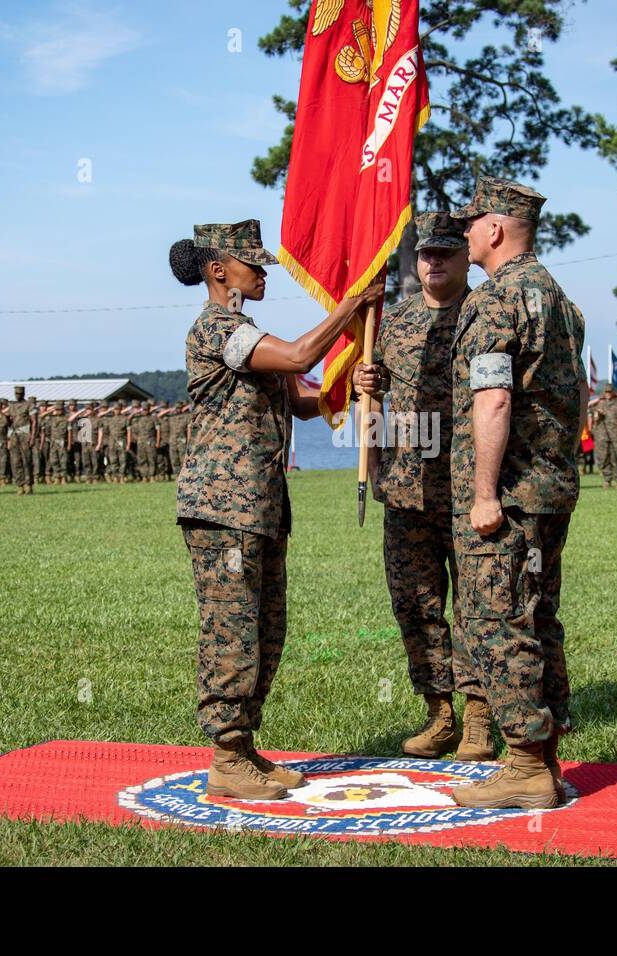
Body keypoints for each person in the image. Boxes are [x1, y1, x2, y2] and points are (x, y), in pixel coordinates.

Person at [171, 218, 384, 800]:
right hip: (223, 510)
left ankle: (242, 749)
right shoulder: (217, 329)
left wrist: (351, 385)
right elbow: (295, 356)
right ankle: (227, 753)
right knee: (233, 632)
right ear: (219, 272)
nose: (263, 272)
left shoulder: (247, 332)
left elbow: (303, 399)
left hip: (258, 507)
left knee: (267, 631)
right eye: (252, 264)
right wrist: (351, 306)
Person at [446, 176, 587, 810]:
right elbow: (576, 395)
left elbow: (494, 397)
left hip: (509, 496)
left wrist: (482, 494)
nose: (465, 233)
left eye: (471, 223)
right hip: (551, 488)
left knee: (496, 622)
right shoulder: (558, 298)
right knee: (537, 615)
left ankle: (527, 763)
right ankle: (545, 753)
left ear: (495, 229)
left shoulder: (498, 299)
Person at [350, 211, 493, 761]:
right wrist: (368, 381)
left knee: (477, 604)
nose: (433, 262)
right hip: (408, 486)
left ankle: (479, 715)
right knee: (416, 603)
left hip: (469, 486)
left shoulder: (485, 313)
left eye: (445, 253)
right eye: (425, 254)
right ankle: (439, 712)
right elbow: (376, 387)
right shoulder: (396, 321)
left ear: (465, 258)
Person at [591, 382, 617, 489]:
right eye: (606, 392)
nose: (608, 393)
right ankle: (607, 479)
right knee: (603, 458)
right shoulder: (600, 404)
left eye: (609, 392)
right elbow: (595, 421)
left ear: (614, 392)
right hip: (602, 435)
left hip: (616, 435)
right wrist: (598, 414)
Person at [6, 386, 34, 494]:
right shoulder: (11, 406)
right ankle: (20, 485)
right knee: (15, 461)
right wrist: (8, 437)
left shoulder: (29, 405)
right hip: (14, 436)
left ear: (23, 394)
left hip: (25, 435)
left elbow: (34, 422)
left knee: (26, 460)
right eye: (16, 393)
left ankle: (29, 485)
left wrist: (32, 436)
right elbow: (9, 422)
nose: (17, 395)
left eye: (19, 393)